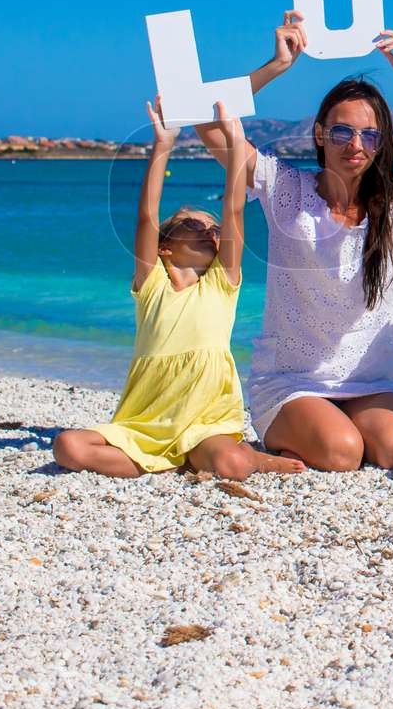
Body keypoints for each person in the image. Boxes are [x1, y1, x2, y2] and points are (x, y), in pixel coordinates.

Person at [193, 14, 393, 471]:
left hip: (375, 381)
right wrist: (275, 67)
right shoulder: (283, 188)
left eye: (370, 134)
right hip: (293, 380)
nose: (356, 145)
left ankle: (340, 425)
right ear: (320, 134)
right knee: (341, 452)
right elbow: (204, 123)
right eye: (343, 131)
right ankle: (285, 434)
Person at [53, 101, 303, 480]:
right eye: (193, 224)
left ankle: (253, 458)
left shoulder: (222, 283)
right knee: (67, 447)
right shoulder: (150, 283)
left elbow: (234, 211)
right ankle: (170, 459)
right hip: (147, 418)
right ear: (164, 246)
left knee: (233, 466)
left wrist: (237, 149)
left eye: (212, 228)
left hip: (207, 417)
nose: (208, 230)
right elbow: (146, 216)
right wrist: (162, 143)